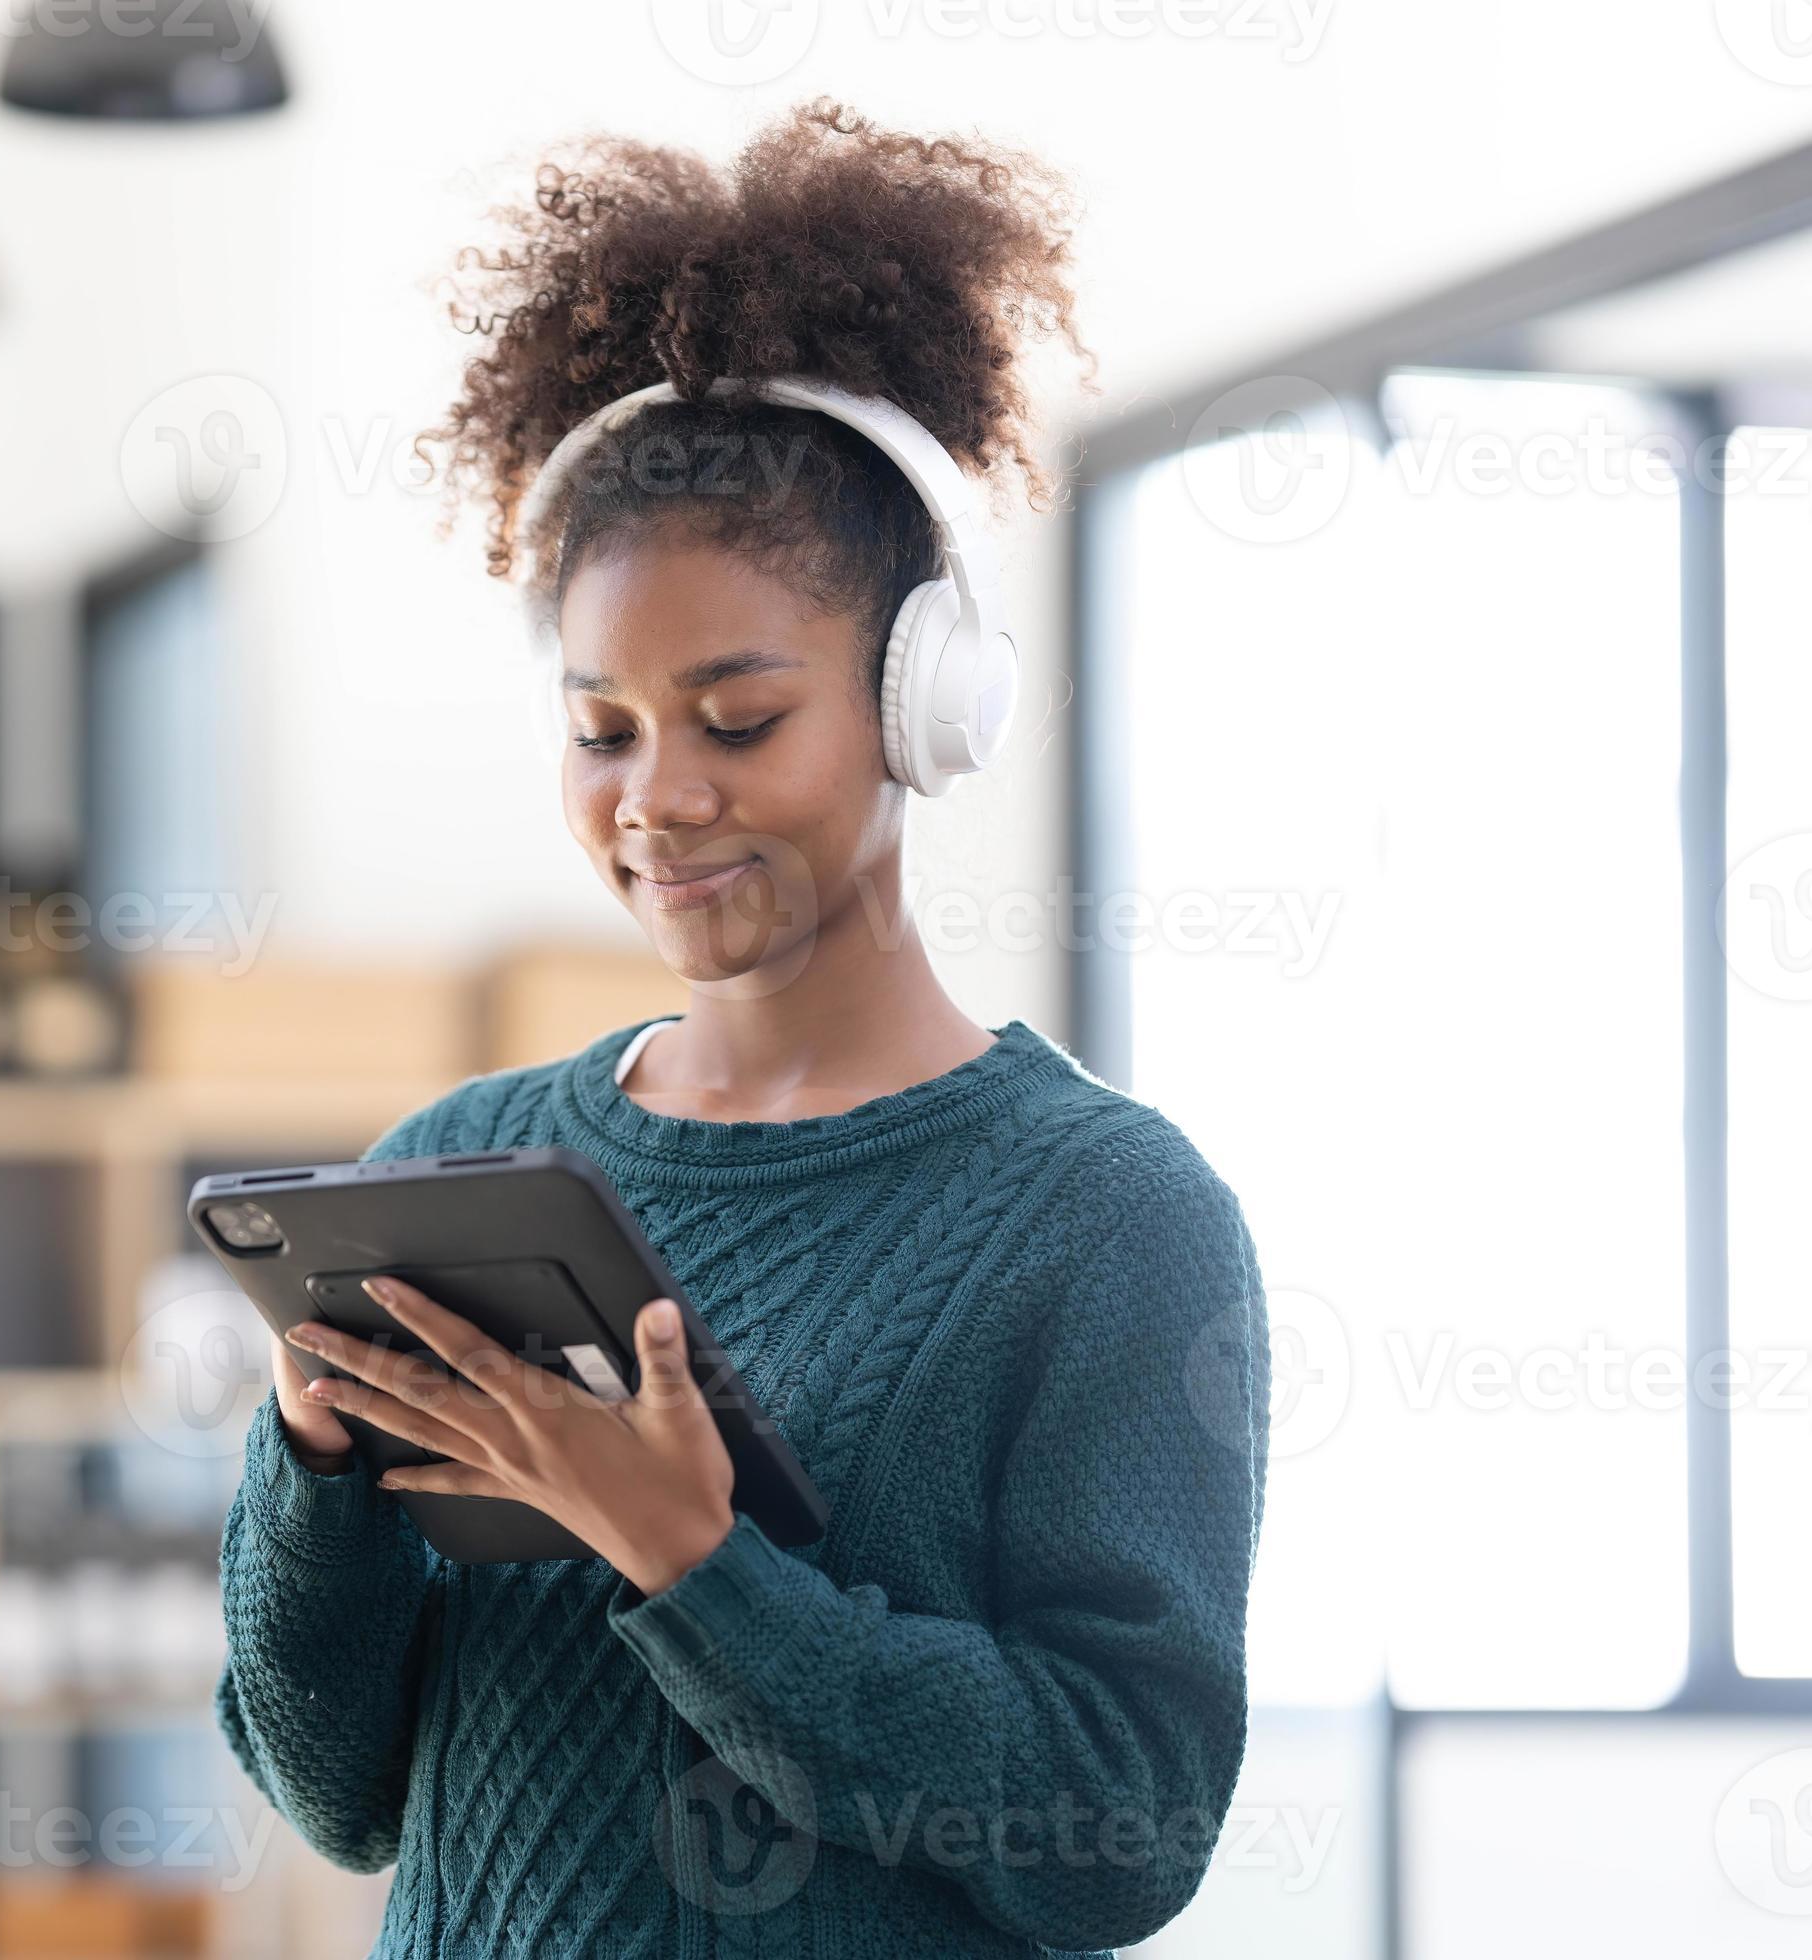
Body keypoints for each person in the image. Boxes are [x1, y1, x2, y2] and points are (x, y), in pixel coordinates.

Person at [211, 101, 1268, 1957]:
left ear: (923, 703)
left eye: (737, 718)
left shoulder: (1106, 1212)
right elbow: (336, 1791)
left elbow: (1123, 1830)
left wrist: (695, 1563)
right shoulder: (455, 1166)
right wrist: (315, 1470)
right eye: (602, 729)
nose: (656, 801)